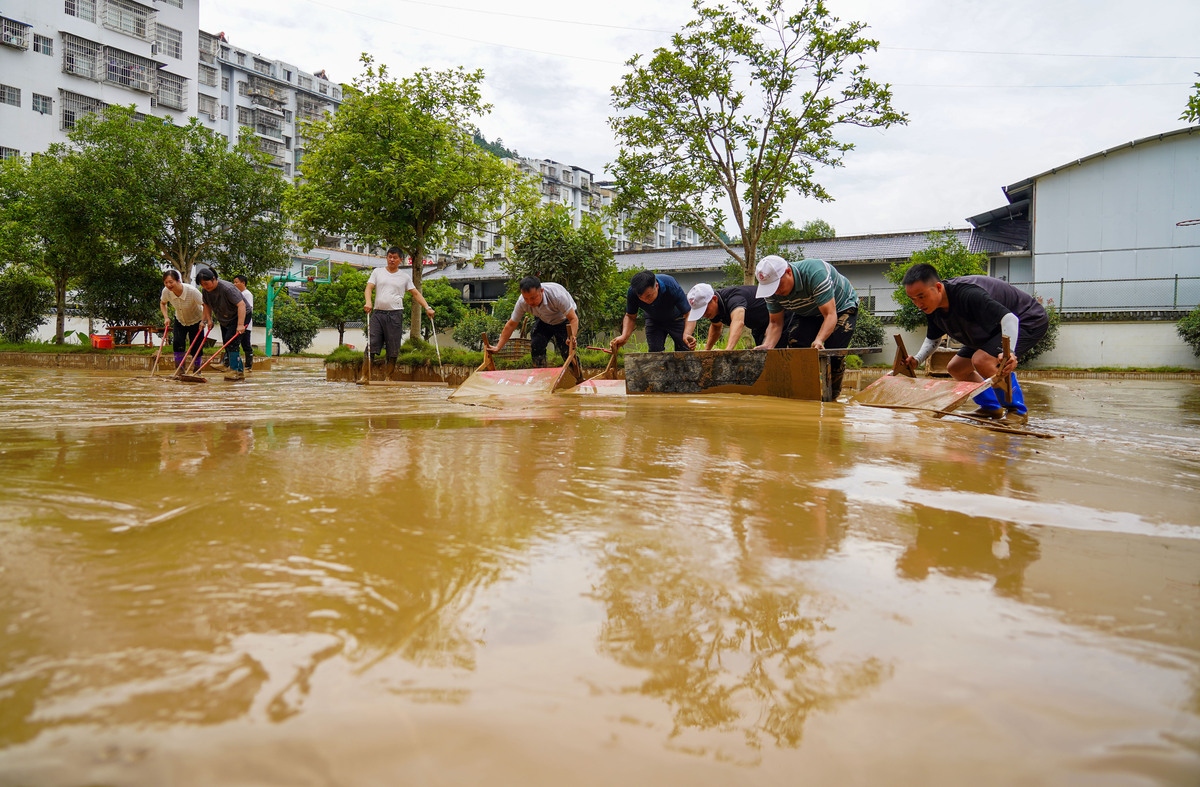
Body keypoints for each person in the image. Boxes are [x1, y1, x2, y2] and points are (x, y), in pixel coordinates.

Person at [901, 263, 1048, 424]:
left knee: (982, 360)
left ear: (938, 287)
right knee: (956, 368)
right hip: (990, 331)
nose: (918, 303)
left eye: (921, 296)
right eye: (912, 299)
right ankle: (991, 407)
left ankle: (1017, 411)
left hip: (1026, 320)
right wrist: (917, 360)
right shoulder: (932, 307)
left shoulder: (967, 294)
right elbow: (933, 339)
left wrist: (1009, 353)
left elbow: (1010, 319)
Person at [754, 254, 859, 399]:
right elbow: (775, 322)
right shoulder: (771, 290)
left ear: (788, 272)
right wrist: (767, 345)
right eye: (772, 288)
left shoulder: (815, 273)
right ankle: (803, 395)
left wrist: (819, 340)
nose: (776, 292)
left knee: (833, 353)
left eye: (778, 285)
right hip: (806, 311)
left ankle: (832, 398)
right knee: (796, 344)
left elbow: (829, 314)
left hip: (840, 308)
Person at [364, 247, 436, 380]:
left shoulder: (405, 277)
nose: (391, 259)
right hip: (378, 314)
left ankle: (388, 377)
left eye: (394, 257)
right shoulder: (377, 272)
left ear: (400, 260)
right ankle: (364, 376)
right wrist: (368, 302)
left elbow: (415, 293)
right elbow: (369, 287)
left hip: (395, 315)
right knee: (372, 344)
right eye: (389, 256)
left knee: (393, 348)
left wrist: (427, 307)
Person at [487, 277, 580, 370]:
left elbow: (573, 318)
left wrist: (572, 337)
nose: (530, 302)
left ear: (541, 291)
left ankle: (579, 377)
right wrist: (498, 347)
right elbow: (511, 325)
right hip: (544, 320)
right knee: (536, 344)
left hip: (564, 320)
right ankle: (540, 375)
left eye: (533, 298)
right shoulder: (522, 302)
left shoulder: (557, 296)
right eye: (526, 298)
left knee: (567, 351)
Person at [682, 282, 790, 351]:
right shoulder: (714, 309)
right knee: (765, 358)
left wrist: (728, 350)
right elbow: (716, 327)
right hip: (759, 327)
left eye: (704, 310)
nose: (704, 315)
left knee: (779, 355)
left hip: (780, 318)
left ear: (714, 299)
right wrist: (707, 351)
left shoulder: (734, 298)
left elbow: (738, 322)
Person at [610, 271, 691, 353]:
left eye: (649, 296)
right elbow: (630, 316)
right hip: (654, 320)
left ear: (657, 286)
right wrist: (624, 337)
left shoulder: (671, 286)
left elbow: (688, 313)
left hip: (677, 318)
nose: (646, 300)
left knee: (685, 350)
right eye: (641, 298)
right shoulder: (632, 292)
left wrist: (687, 334)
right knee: (654, 353)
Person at [195, 268, 247, 382]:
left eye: (206, 283)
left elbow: (241, 305)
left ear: (213, 279)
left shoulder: (227, 288)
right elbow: (207, 306)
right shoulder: (205, 291)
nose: (205, 286)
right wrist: (208, 320)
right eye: (202, 285)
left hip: (240, 315)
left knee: (231, 340)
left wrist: (240, 324)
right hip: (224, 317)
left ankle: (234, 370)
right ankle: (237, 370)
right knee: (227, 342)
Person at [159, 270, 205, 373]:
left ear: (178, 280)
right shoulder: (166, 291)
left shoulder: (192, 291)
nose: (168, 285)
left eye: (171, 282)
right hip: (180, 320)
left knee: (196, 346)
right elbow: (163, 303)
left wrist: (204, 320)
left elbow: (205, 305)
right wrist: (166, 317)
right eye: (166, 282)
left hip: (197, 320)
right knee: (177, 343)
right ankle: (179, 370)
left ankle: (197, 370)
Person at [232, 274, 254, 371]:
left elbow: (248, 309)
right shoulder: (238, 294)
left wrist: (243, 324)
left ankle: (248, 366)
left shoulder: (247, 294)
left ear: (243, 283)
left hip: (245, 325)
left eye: (236, 282)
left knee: (246, 345)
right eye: (234, 282)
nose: (234, 284)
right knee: (234, 344)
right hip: (238, 324)